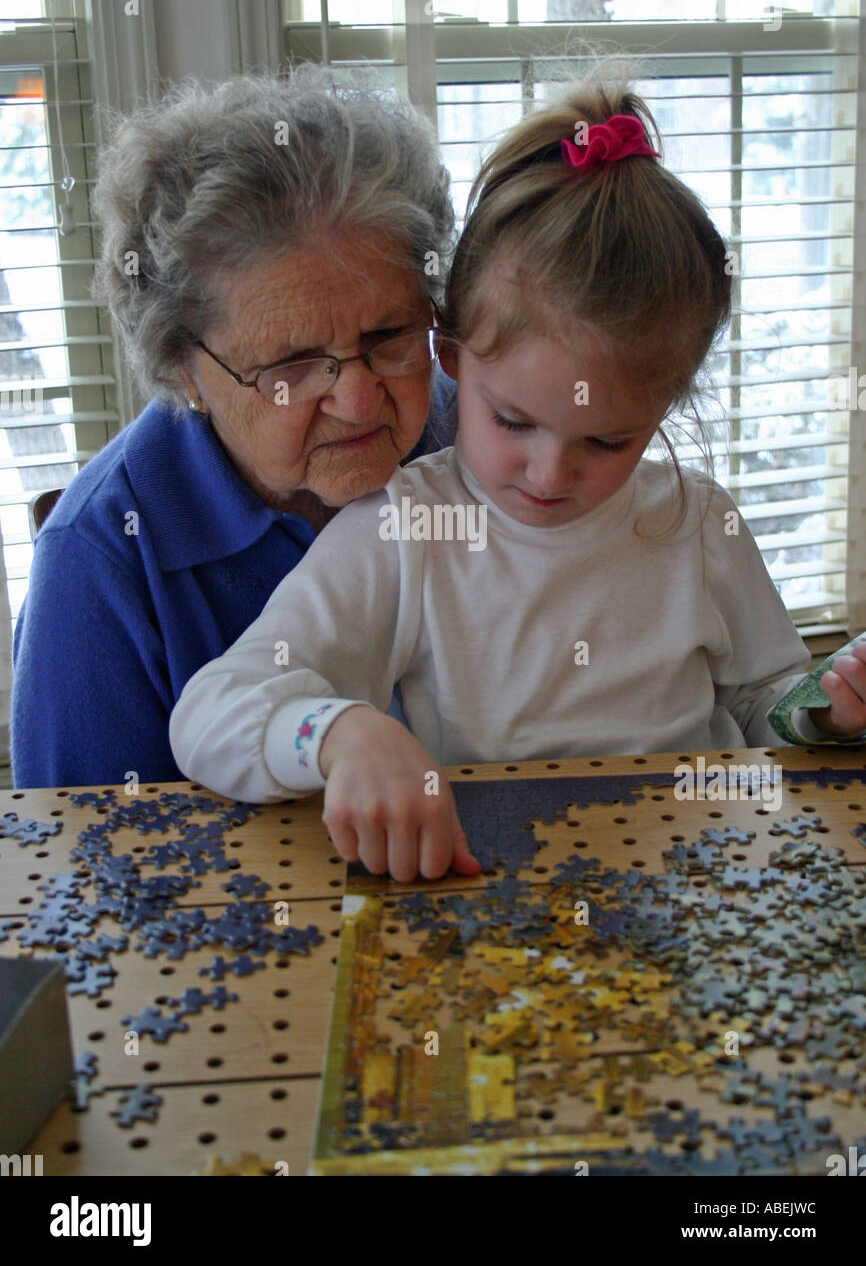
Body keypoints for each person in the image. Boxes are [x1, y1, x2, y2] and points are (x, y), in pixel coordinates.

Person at [169, 68, 866, 884]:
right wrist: (337, 733)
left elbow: (763, 706)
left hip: (696, 891)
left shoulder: (697, 521)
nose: (550, 472)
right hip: (494, 893)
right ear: (451, 357)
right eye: (512, 422)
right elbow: (210, 713)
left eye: (608, 441)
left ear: (665, 406)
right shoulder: (407, 528)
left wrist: (823, 709)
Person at [11, 67, 458, 788]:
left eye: (389, 336)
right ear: (183, 370)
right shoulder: (99, 561)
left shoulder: (502, 444)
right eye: (292, 363)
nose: (357, 398)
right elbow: (91, 868)